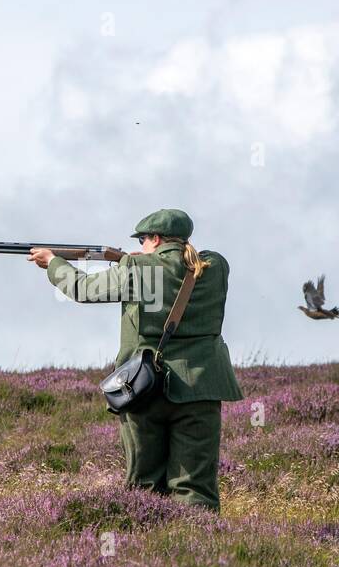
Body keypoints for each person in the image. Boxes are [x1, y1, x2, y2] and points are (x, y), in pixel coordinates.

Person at [27, 208, 242, 511]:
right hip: (202, 386)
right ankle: (199, 547)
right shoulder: (214, 266)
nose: (140, 246)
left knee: (145, 486)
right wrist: (137, 260)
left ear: (154, 238)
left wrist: (53, 263)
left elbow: (82, 289)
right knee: (196, 487)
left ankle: (149, 548)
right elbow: (175, 266)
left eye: (143, 240)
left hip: (144, 387)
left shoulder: (136, 268)